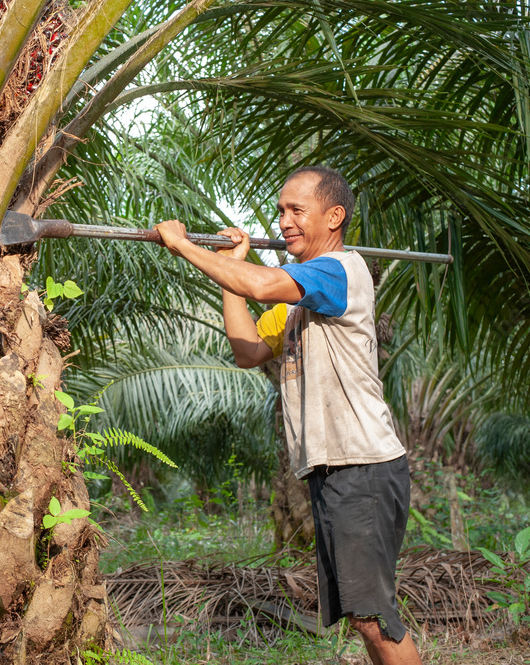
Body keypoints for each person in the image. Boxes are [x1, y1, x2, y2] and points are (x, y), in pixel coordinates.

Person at [154, 166, 422, 665]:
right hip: (333, 470)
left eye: (296, 210)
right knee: (364, 617)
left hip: (362, 466)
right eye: (280, 211)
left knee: (374, 617)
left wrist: (183, 246)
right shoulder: (300, 302)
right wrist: (227, 267)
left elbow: (263, 283)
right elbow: (248, 349)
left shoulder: (339, 270)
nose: (284, 222)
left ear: (334, 216)